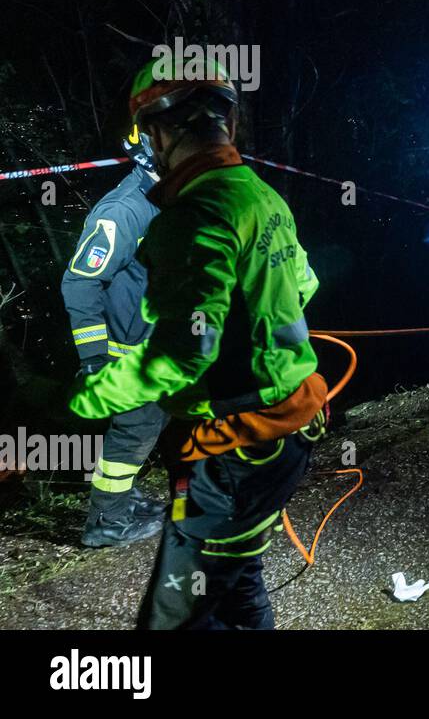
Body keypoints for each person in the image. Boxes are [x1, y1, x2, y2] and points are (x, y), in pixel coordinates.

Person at [68, 56, 326, 629]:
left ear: (158, 132)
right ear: (224, 124)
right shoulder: (258, 192)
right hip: (289, 432)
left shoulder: (192, 215)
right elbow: (305, 282)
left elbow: (186, 351)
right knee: (238, 583)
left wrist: (89, 396)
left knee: (173, 620)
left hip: (233, 447)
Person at [61, 125, 168, 547]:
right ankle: (106, 522)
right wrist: (93, 358)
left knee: (152, 423)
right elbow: (79, 283)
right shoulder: (123, 211)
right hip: (126, 351)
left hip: (158, 343)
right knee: (135, 429)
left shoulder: (170, 199)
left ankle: (120, 499)